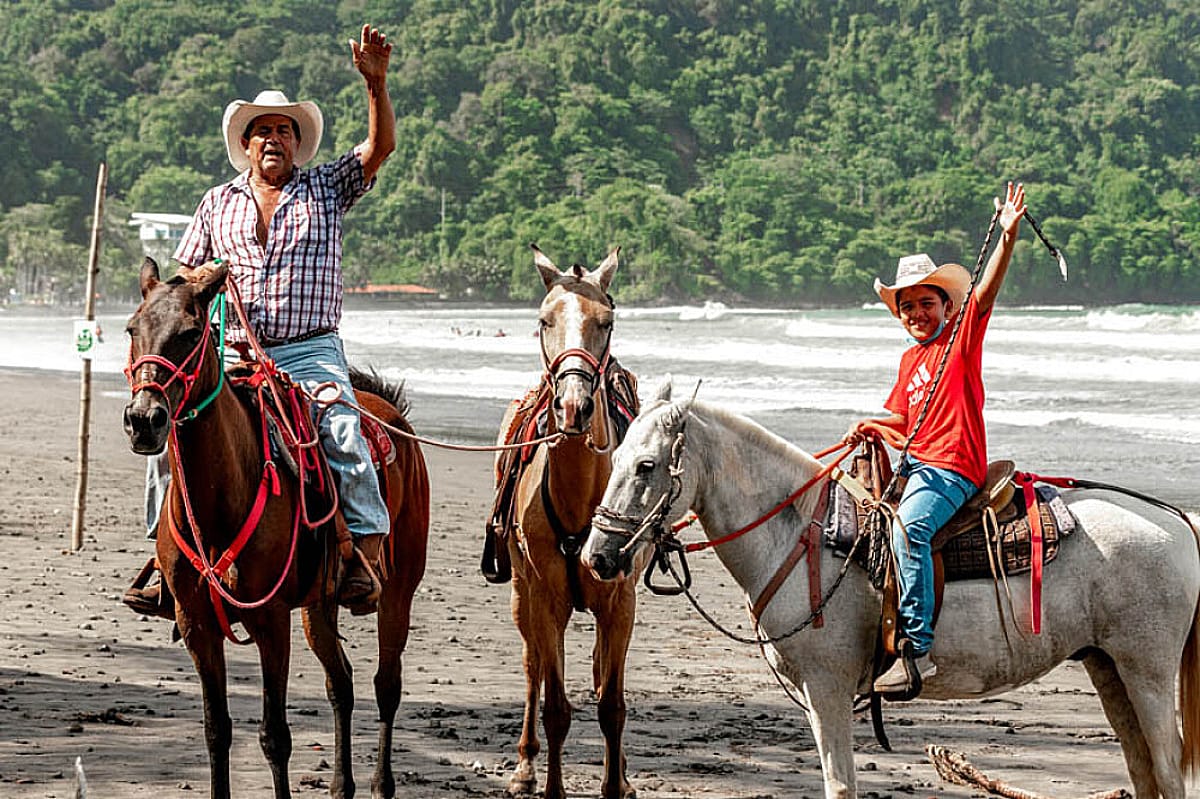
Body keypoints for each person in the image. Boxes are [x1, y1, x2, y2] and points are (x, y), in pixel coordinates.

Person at [126, 23, 397, 617]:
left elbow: (379, 149)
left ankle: (360, 558)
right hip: (232, 353)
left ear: (297, 144)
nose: (273, 139)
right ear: (245, 144)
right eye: (262, 132)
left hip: (310, 351)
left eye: (283, 131)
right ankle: (164, 559)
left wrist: (375, 84)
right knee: (171, 428)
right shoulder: (216, 203)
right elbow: (185, 285)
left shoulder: (326, 187)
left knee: (344, 432)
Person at [845, 181, 1026, 698]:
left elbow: (986, 292)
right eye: (908, 307)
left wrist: (1006, 237)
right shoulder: (910, 361)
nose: (918, 313)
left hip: (953, 468)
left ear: (947, 306)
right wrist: (870, 427)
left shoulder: (960, 341)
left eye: (927, 303)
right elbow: (902, 422)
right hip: (919, 465)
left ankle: (916, 649)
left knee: (909, 530)